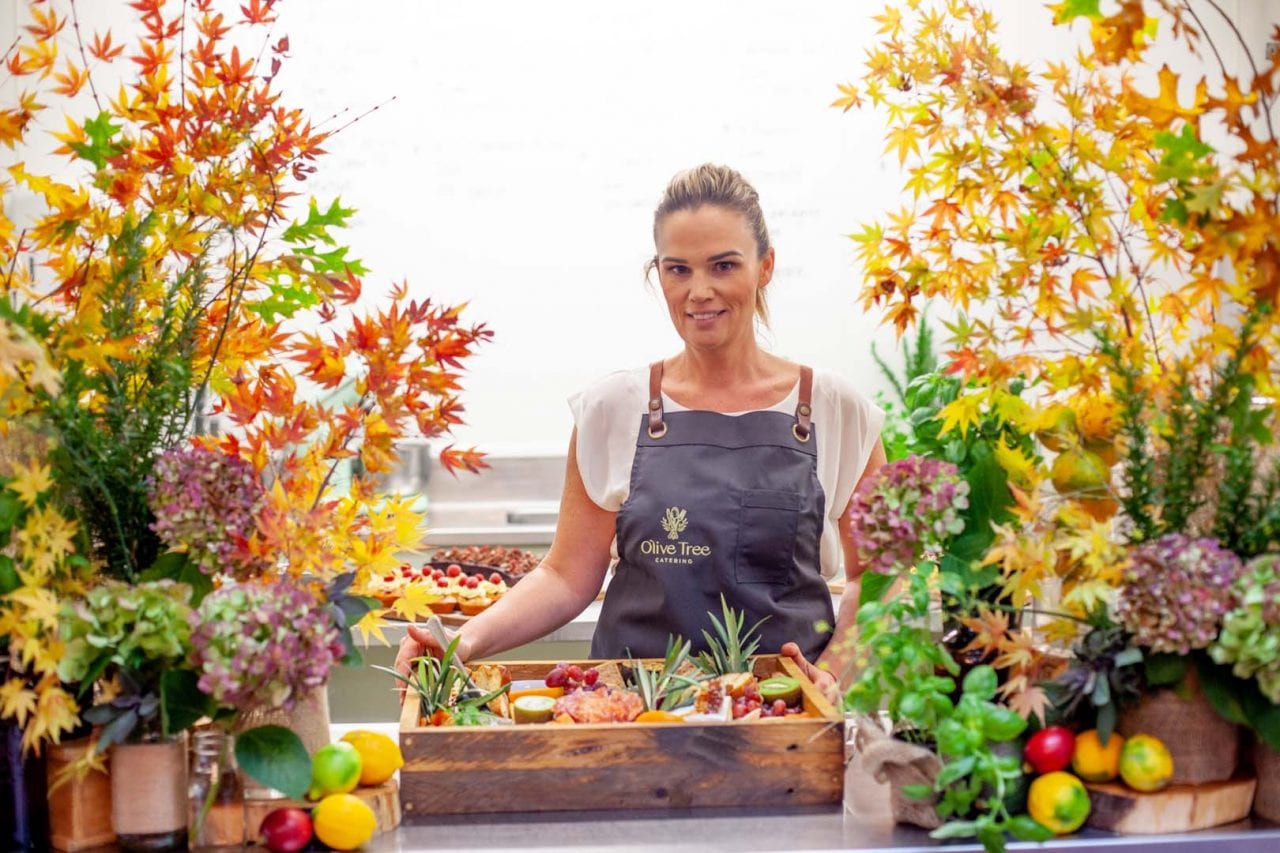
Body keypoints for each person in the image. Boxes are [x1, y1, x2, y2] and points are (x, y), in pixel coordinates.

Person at [396, 164, 886, 698]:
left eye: (724, 265)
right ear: (659, 274)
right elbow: (565, 576)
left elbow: (877, 580)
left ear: (765, 267)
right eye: (679, 270)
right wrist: (460, 643)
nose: (700, 291)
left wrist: (832, 675)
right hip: (627, 716)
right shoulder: (613, 409)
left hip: (781, 718)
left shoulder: (838, 410)